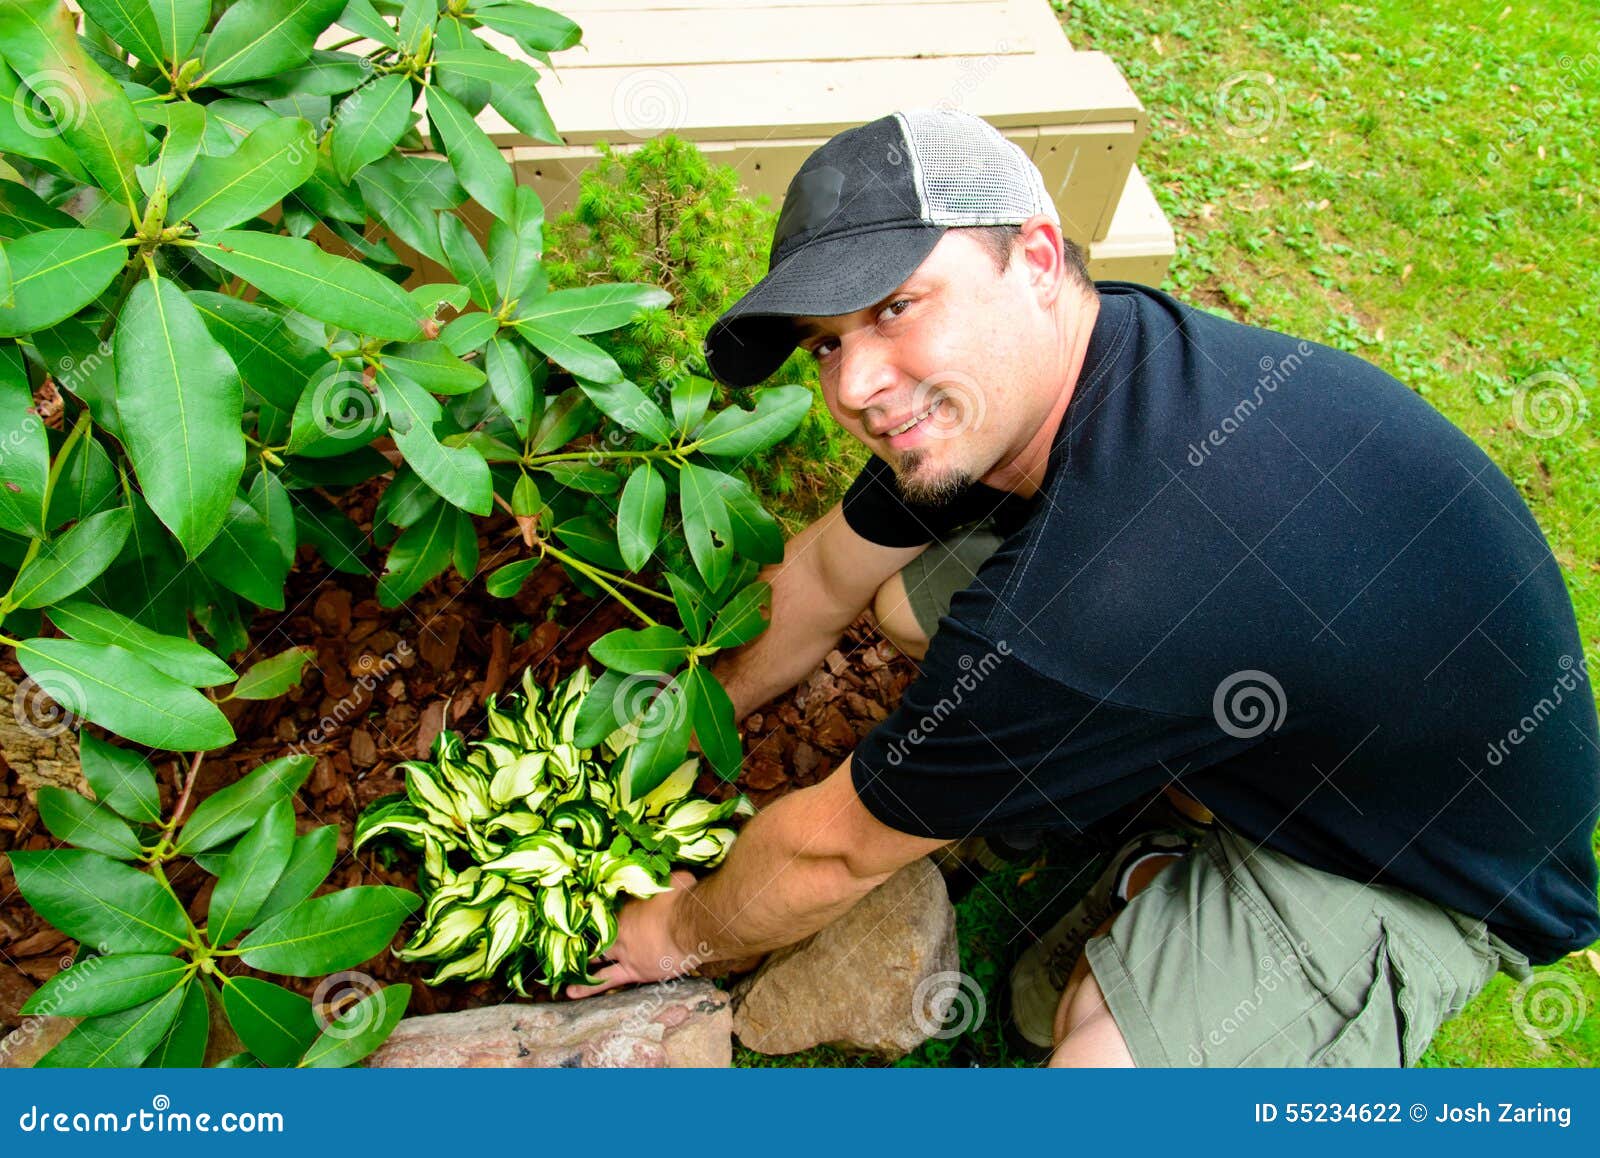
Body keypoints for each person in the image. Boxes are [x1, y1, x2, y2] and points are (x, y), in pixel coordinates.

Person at [566, 108, 1600, 1067]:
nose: (853, 385)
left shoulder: (1101, 593)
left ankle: (1172, 874)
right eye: (827, 342)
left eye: (895, 306)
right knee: (899, 600)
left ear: (1038, 257)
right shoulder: (1080, 366)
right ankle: (1166, 823)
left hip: (1422, 869)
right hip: (1322, 717)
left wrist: (677, 933)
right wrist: (651, 733)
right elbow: (829, 572)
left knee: (1091, 1074)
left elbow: (835, 854)